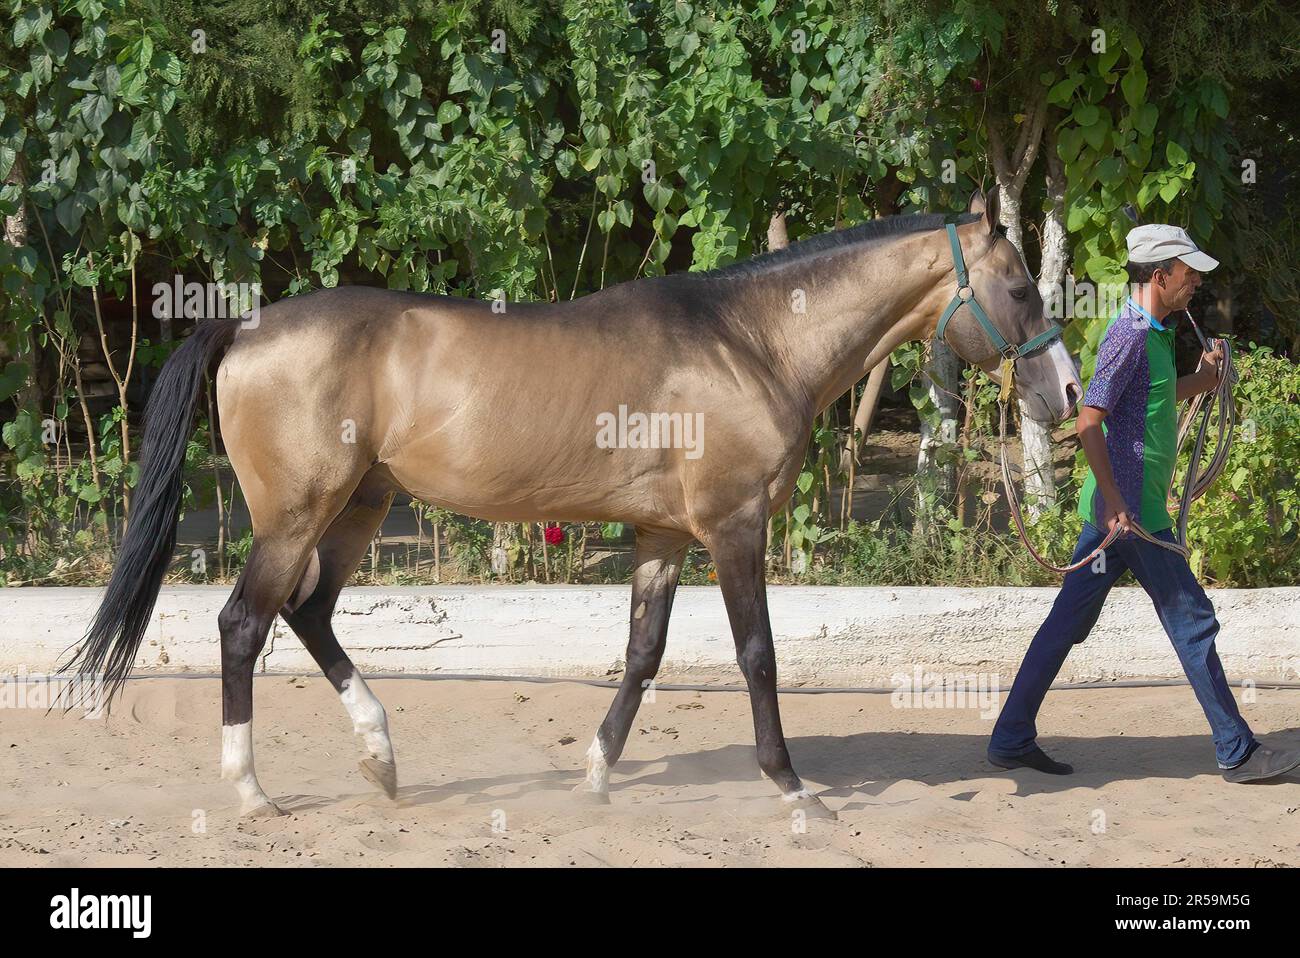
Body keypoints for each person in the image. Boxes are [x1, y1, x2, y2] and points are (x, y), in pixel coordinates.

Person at [987, 224, 1300, 783]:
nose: (1197, 282)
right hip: (1129, 517)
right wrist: (1113, 502)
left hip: (1121, 514)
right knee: (1193, 621)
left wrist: (1200, 381)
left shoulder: (1156, 331)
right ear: (1160, 275)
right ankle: (1238, 750)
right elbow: (1089, 421)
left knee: (1066, 624)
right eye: (1189, 273)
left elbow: (1150, 397)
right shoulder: (1128, 335)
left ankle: (1010, 736)